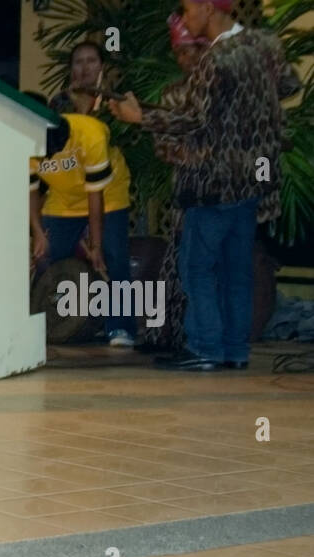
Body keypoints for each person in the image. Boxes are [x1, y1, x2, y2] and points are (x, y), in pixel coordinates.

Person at [109, 0, 300, 371]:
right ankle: (234, 351)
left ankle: (205, 349)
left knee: (197, 268)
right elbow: (289, 85)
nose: (183, 17)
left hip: (213, 183)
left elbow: (194, 120)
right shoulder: (267, 45)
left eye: (186, 9)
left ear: (207, 7)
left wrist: (139, 115)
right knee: (236, 270)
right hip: (252, 181)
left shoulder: (215, 60)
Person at [28, 112, 136, 346]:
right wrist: (37, 232)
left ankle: (121, 327)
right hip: (63, 199)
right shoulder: (25, 138)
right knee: (46, 257)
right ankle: (51, 323)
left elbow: (95, 197)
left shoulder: (91, 134)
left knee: (113, 256)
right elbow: (31, 191)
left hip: (108, 194)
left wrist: (95, 246)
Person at [142, 12, 211, 354]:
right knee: (175, 266)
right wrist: (195, 155)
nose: (187, 59)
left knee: (198, 268)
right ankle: (160, 336)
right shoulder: (171, 94)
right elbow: (162, 144)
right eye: (181, 53)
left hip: (219, 194)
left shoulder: (219, 89)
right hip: (185, 191)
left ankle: (196, 341)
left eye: (193, 51)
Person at [49, 41, 105, 116]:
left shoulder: (110, 101)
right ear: (71, 68)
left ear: (102, 66)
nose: (85, 67)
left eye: (91, 61)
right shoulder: (60, 100)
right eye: (79, 62)